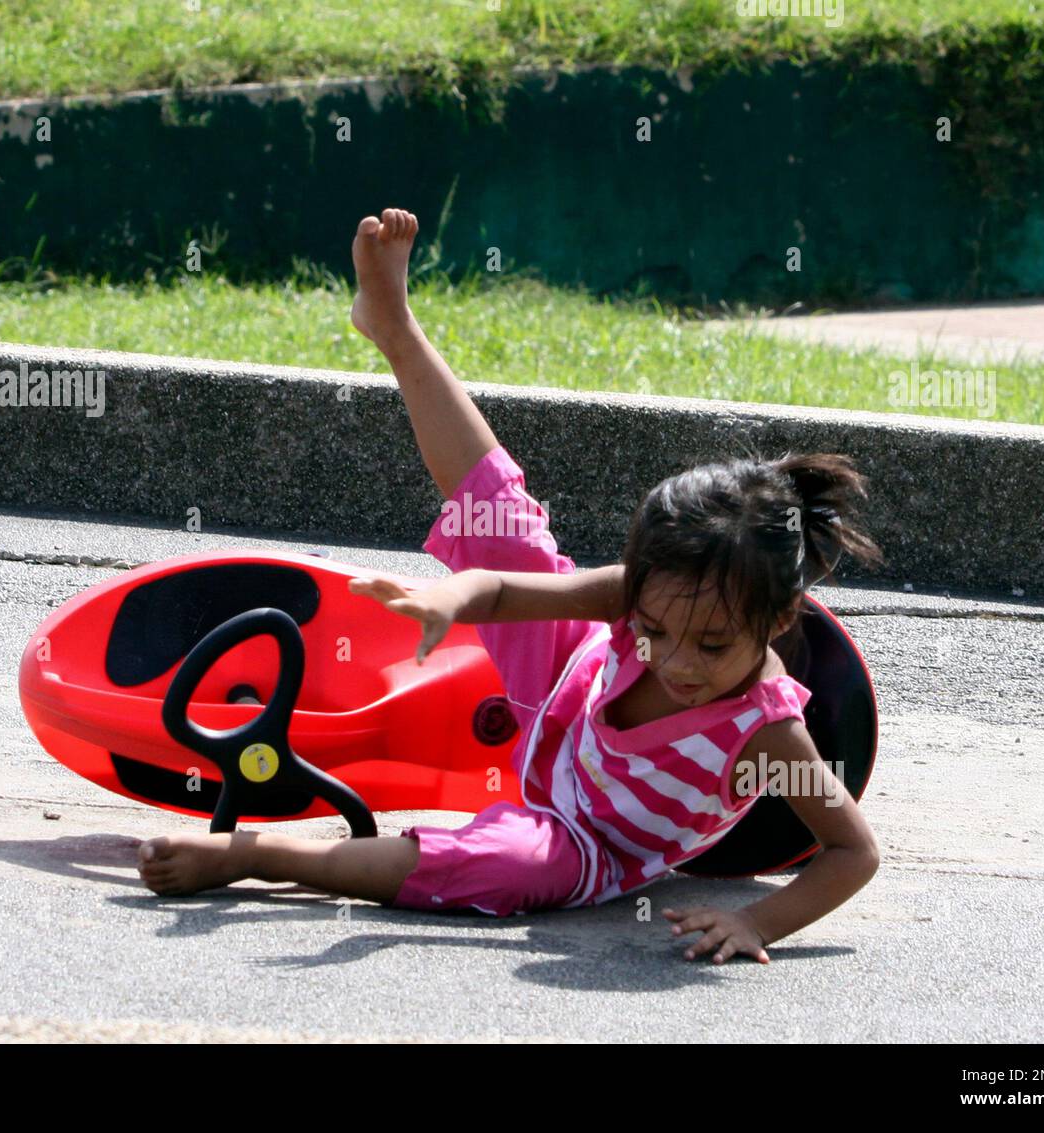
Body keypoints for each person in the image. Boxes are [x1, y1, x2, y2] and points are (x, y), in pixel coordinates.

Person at [138, 209, 885, 964]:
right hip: (564, 680)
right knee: (505, 521)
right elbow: (500, 587)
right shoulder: (640, 596)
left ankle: (258, 856)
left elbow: (852, 851)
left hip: (581, 838)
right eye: (656, 631)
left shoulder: (765, 731)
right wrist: (449, 600)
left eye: (713, 644)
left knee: (502, 868)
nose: (676, 661)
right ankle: (393, 324)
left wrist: (758, 920)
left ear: (779, 615)